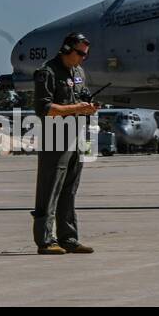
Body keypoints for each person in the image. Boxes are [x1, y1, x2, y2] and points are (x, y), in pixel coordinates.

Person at [31, 32, 98, 254]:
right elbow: (45, 109)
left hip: (76, 135)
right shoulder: (47, 72)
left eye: (85, 55)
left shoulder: (78, 71)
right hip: (55, 136)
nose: (83, 58)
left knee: (70, 190)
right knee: (50, 190)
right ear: (67, 49)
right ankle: (45, 240)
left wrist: (88, 105)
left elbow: (80, 97)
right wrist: (77, 108)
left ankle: (68, 238)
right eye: (80, 53)